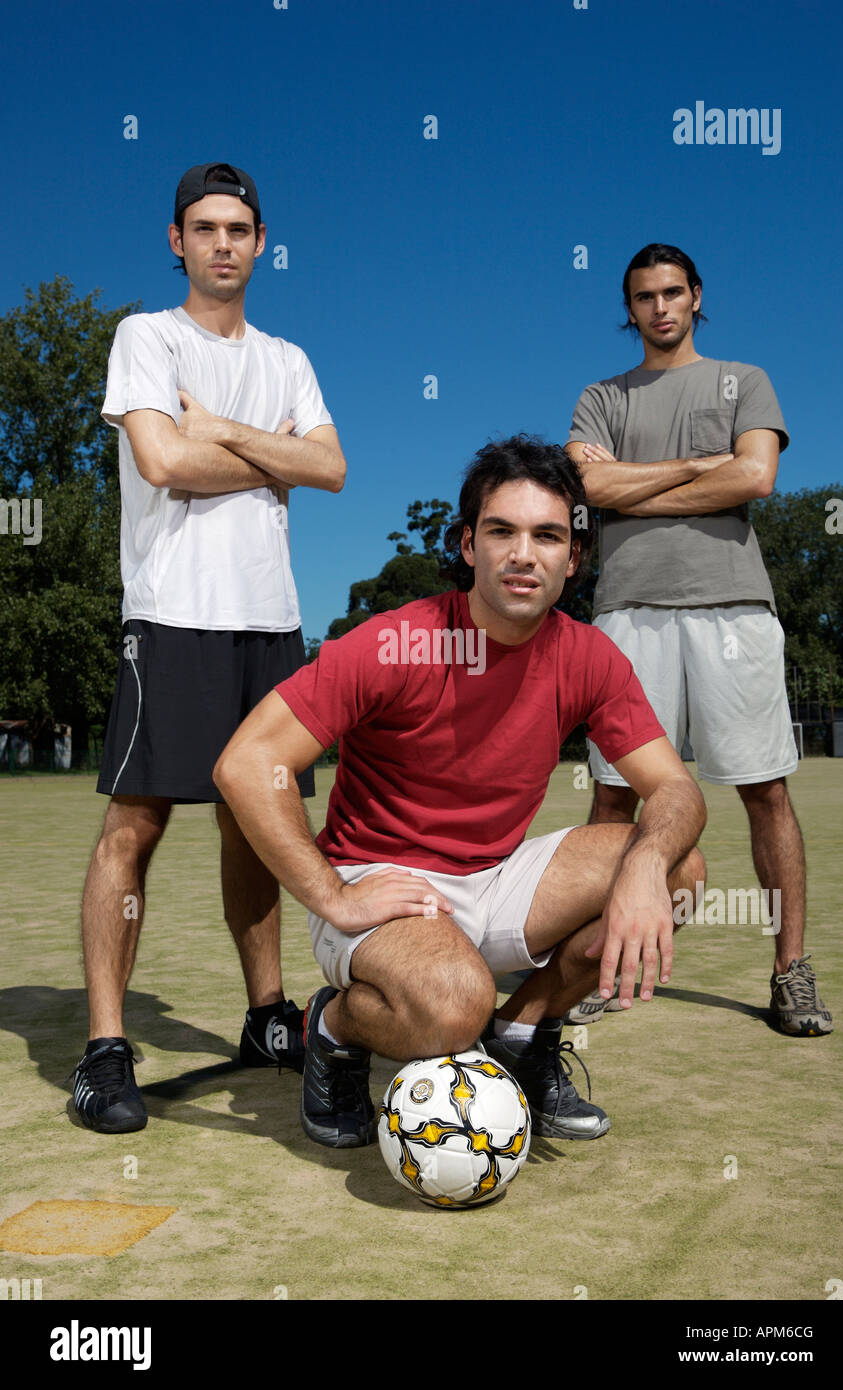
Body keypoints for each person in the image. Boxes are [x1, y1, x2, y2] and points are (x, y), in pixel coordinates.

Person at [214, 436, 707, 1148]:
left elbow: (675, 791)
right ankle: (330, 1030)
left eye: (546, 536)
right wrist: (330, 895)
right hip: (379, 882)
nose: (522, 554)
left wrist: (639, 867)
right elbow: (247, 763)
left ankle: (524, 1032)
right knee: (452, 1005)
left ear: (573, 558)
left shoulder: (588, 654)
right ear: (467, 545)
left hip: (496, 877)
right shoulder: (395, 644)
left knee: (679, 872)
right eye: (500, 531)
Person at [71, 162, 347, 1133]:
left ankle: (266, 1016)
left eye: (238, 228)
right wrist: (269, 455)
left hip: (268, 620)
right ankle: (106, 1047)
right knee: (134, 826)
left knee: (253, 823)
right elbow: (162, 460)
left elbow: (333, 465)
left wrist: (222, 432)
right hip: (171, 613)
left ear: (261, 242)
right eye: (204, 227)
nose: (222, 243)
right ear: (175, 240)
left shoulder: (288, 359)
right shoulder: (144, 337)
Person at [564, 243, 832, 1037]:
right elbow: (589, 487)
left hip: (733, 609)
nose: (659, 308)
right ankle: (596, 964)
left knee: (765, 791)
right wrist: (689, 468)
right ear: (629, 307)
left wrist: (632, 487)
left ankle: (789, 972)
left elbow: (753, 478)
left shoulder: (742, 380)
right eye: (643, 296)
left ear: (696, 296)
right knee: (614, 794)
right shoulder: (600, 396)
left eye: (672, 293)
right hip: (627, 612)